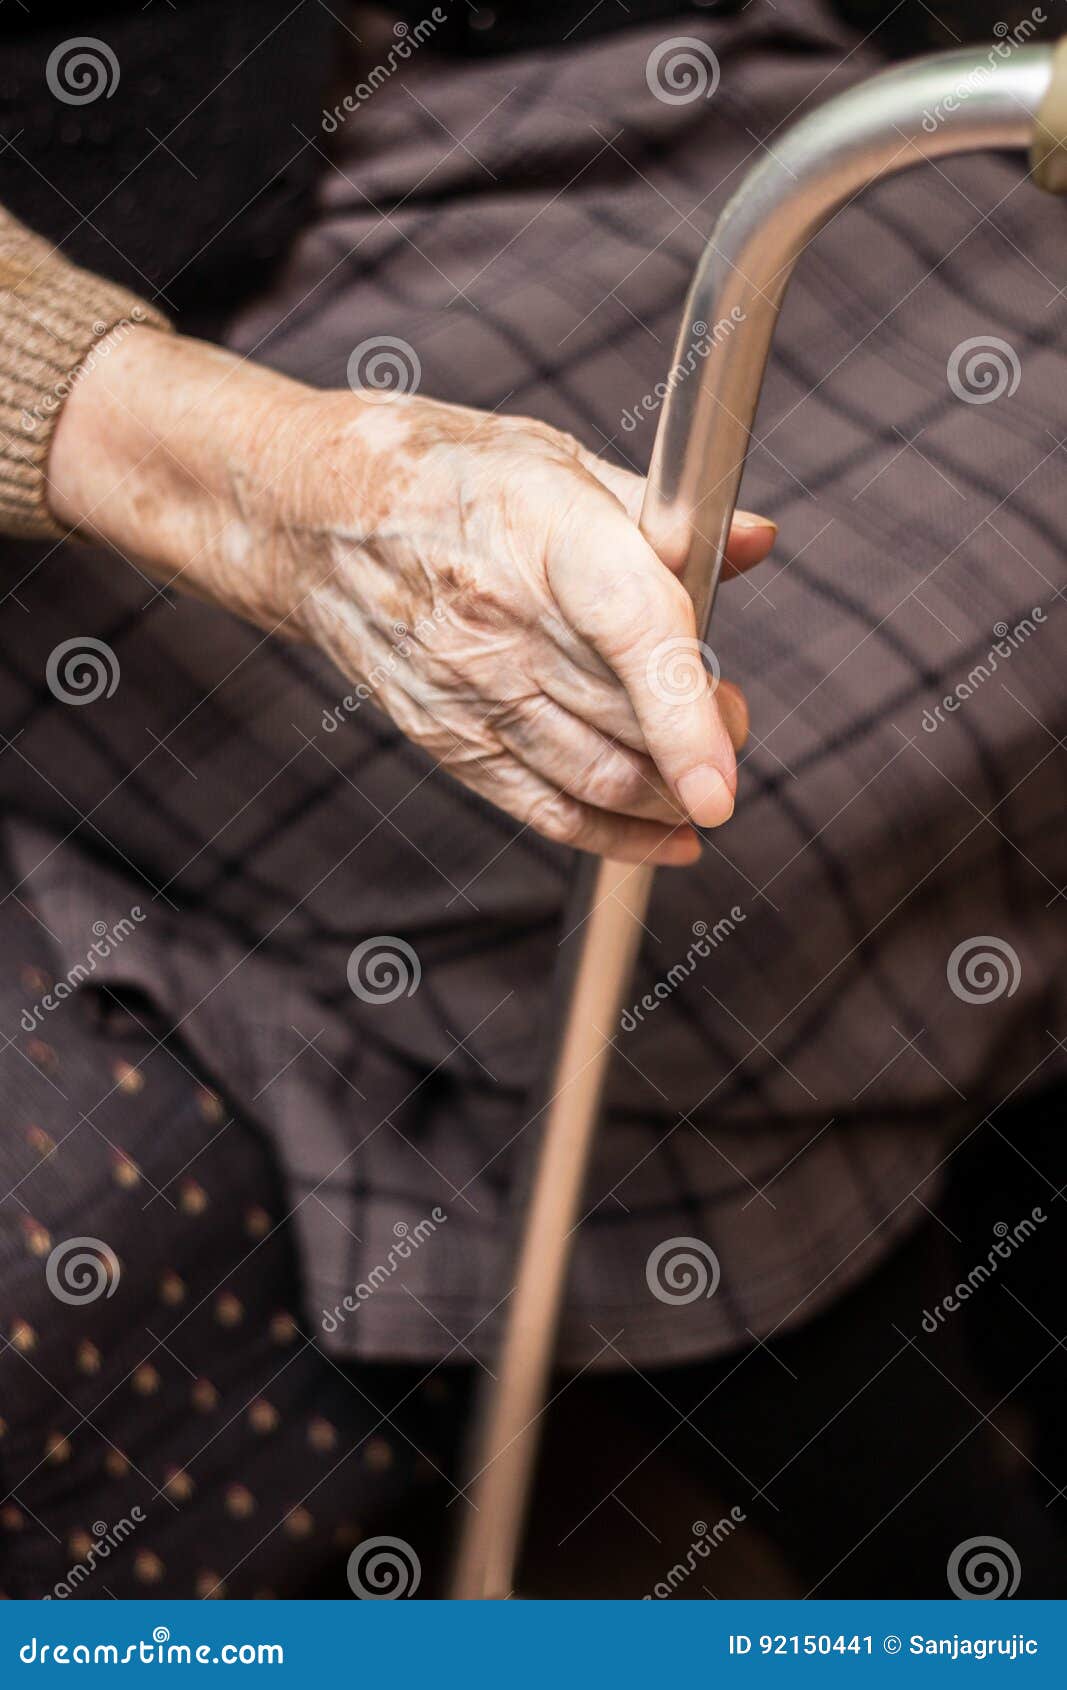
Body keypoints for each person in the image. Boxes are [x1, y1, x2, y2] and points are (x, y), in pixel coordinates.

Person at [0, 0, 1064, 1598]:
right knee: (688, 856)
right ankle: (950, 1561)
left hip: (596, 80)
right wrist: (298, 496)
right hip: (142, 306)